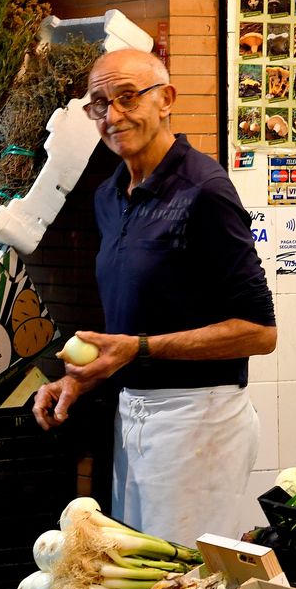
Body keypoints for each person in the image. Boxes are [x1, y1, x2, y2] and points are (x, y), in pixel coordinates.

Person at [33, 48, 276, 546]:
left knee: (182, 587)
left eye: (127, 97)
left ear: (166, 99)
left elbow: (261, 332)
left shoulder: (205, 190)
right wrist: (81, 380)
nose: (113, 115)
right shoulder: (108, 195)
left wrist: (138, 348)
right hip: (135, 416)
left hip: (200, 421)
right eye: (99, 103)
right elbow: (135, 316)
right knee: (147, 585)